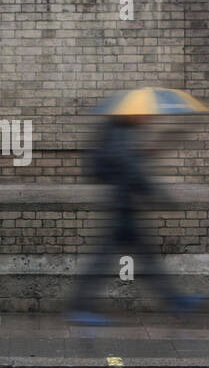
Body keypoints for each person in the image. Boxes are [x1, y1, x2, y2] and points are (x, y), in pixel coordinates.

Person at [67, 115, 201, 326]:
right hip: (121, 208)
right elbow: (130, 171)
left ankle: (175, 299)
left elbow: (126, 165)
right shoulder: (119, 133)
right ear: (131, 114)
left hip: (125, 206)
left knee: (146, 259)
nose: (147, 118)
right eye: (144, 115)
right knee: (103, 261)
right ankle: (80, 308)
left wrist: (144, 153)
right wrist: (160, 196)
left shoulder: (122, 133)